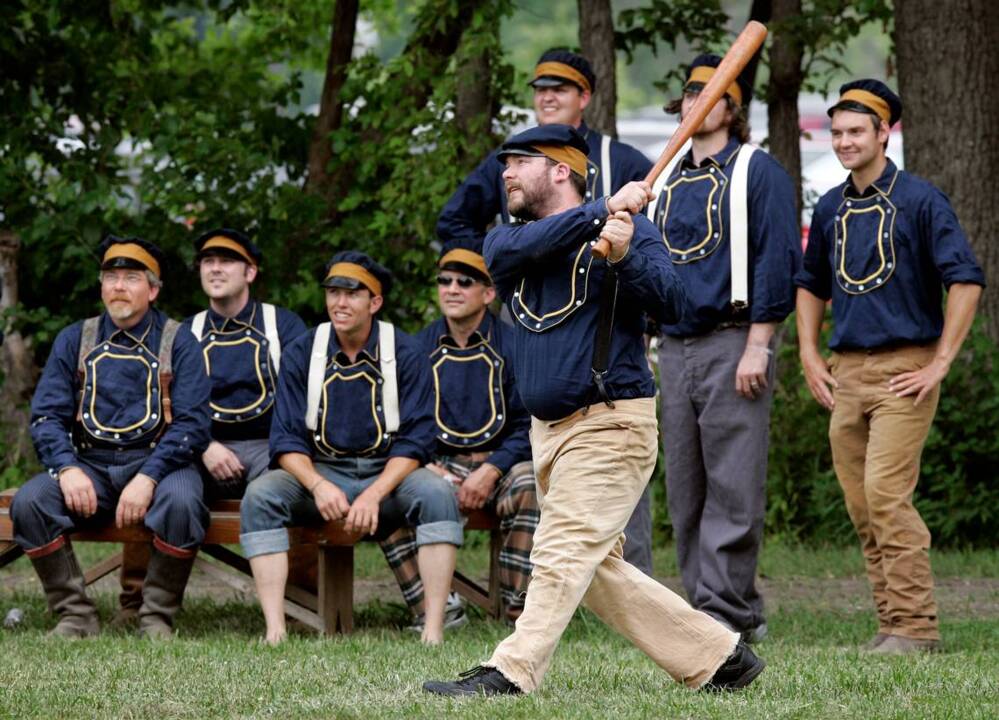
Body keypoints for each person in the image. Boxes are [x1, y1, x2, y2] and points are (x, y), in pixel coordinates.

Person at [423, 125, 764, 696]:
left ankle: (512, 670)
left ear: (560, 169)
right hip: (546, 432)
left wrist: (628, 253)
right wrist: (601, 209)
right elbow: (505, 253)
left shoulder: (629, 232)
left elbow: (675, 304)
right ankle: (719, 657)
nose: (504, 172)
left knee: (558, 550)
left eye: (518, 162)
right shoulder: (513, 240)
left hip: (610, 423)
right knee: (591, 569)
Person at [437, 46, 656, 575]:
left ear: (585, 96)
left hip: (604, 330)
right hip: (535, 323)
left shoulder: (622, 160)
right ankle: (564, 585)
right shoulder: (520, 158)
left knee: (611, 494)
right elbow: (459, 225)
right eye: (540, 89)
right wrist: (494, 280)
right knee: (559, 515)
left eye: (560, 88)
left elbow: (652, 248)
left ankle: (520, 653)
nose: (548, 96)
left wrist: (623, 244)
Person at [795, 80, 984, 654]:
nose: (845, 141)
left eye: (858, 131)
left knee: (885, 493)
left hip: (906, 368)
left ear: (885, 132)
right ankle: (891, 624)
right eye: (838, 132)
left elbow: (965, 280)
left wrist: (939, 364)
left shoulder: (923, 200)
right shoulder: (829, 206)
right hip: (847, 372)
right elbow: (811, 284)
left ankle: (917, 628)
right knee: (860, 504)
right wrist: (807, 351)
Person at [647, 54, 801, 643]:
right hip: (675, 348)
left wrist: (760, 344)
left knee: (733, 485)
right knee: (685, 490)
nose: (696, 103)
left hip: (735, 340)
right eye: (689, 94)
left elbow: (777, 260)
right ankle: (702, 608)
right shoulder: (664, 180)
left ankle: (730, 612)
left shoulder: (756, 171)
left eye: (710, 94)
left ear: (731, 108)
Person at [239, 251, 463, 645]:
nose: (339, 303)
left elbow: (417, 440)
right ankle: (275, 629)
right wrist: (318, 486)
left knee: (438, 493)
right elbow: (286, 439)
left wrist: (375, 494)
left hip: (390, 476)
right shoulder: (303, 351)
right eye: (333, 293)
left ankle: (433, 629)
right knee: (260, 495)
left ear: (374, 302)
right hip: (322, 472)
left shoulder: (406, 352)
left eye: (352, 294)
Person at [10, 236, 211, 638]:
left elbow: (193, 425)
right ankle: (75, 614)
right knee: (30, 503)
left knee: (184, 502)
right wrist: (66, 467)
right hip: (90, 465)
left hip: (160, 464)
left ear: (153, 290)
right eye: (111, 277)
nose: (118, 286)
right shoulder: (75, 338)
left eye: (131, 278)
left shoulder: (180, 341)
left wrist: (148, 477)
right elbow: (47, 415)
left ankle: (155, 617)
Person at [112, 228, 308, 626]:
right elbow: (166, 409)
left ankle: (304, 605)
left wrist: (283, 453)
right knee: (148, 477)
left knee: (293, 484)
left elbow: (300, 403)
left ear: (250, 272)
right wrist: (205, 446)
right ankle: (135, 604)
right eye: (207, 261)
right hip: (200, 446)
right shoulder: (183, 332)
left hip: (269, 445)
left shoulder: (283, 326)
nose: (215, 268)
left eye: (227, 261)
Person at [380, 249, 538, 629]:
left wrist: (491, 470)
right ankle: (436, 607)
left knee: (531, 485)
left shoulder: (516, 345)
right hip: (435, 462)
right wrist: (426, 464)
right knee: (384, 494)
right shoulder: (415, 349)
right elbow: (398, 420)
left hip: (501, 462)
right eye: (444, 281)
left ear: (488, 293)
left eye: (464, 282)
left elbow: (528, 424)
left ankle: (523, 614)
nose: (451, 289)